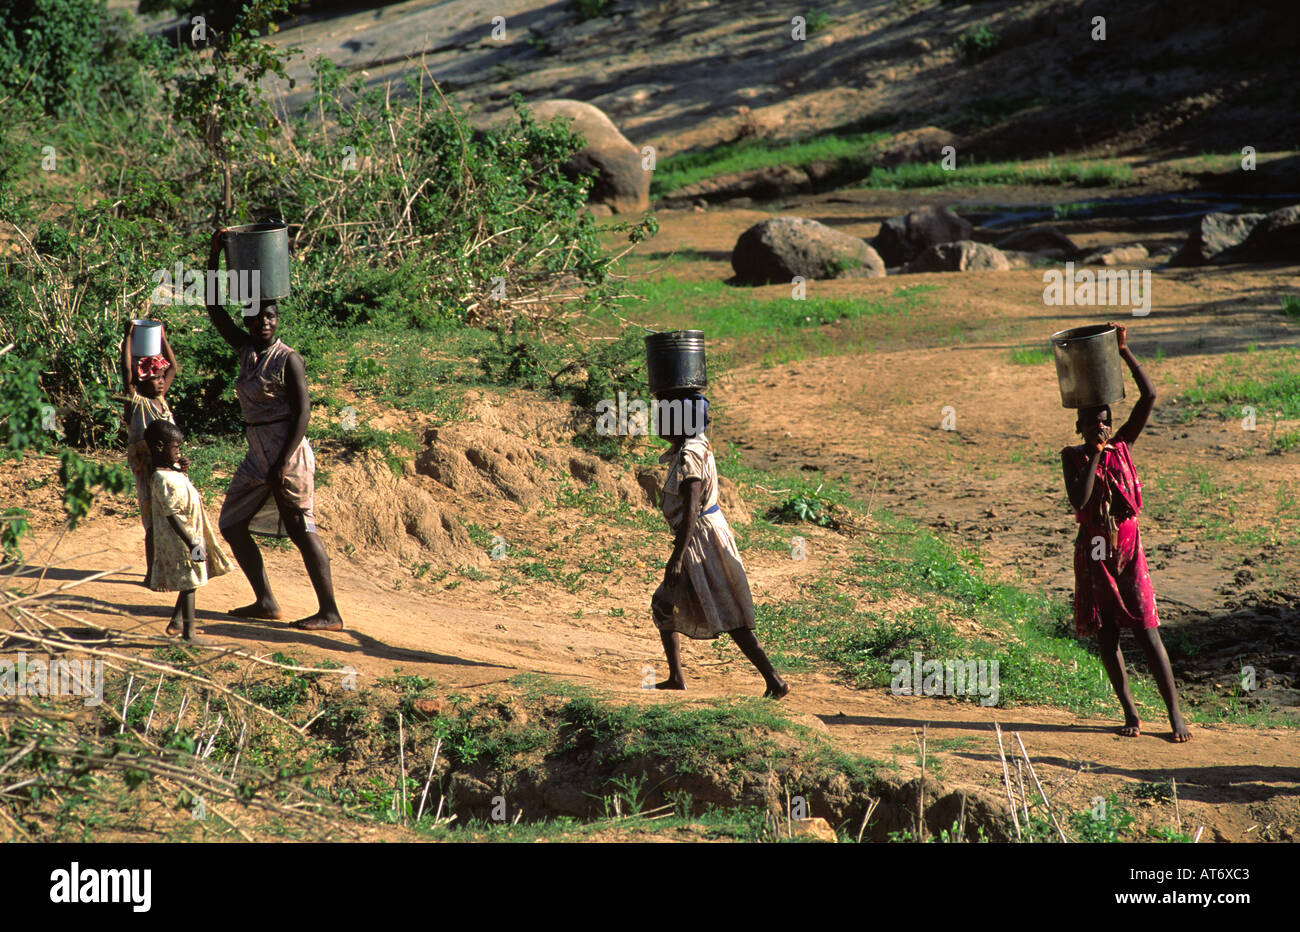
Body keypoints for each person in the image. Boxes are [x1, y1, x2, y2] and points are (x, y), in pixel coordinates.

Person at [205, 230, 344, 631]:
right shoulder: (246, 350)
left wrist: (282, 461)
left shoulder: (289, 359)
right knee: (231, 524)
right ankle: (265, 600)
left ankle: (330, 612)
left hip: (288, 452)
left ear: (277, 320)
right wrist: (213, 255)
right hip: (258, 454)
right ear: (247, 320)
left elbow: (304, 413)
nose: (264, 322)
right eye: (257, 316)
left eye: (270, 316)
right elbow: (214, 306)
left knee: (302, 528)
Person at [1061, 323, 1190, 742]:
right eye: (1093, 424)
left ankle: (1175, 716)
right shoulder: (1074, 457)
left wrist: (1124, 351)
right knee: (1108, 633)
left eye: (1105, 422)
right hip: (1096, 546)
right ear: (1079, 427)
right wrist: (1095, 457)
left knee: (1147, 628)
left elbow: (1149, 396)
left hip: (1129, 546)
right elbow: (1079, 502)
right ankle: (1131, 713)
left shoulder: (1123, 445)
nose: (1101, 428)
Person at [651, 391, 789, 699]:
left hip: (700, 539)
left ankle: (774, 680)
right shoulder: (697, 444)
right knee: (664, 602)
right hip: (703, 534)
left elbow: (691, 510)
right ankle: (675, 676)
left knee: (728, 613)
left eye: (663, 417)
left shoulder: (689, 455)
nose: (657, 423)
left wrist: (677, 557)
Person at [144, 420, 233, 642]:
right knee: (191, 579)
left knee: (192, 576)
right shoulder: (159, 477)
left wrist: (182, 469)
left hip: (193, 533)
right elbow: (171, 514)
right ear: (159, 447)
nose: (179, 452)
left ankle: (176, 623)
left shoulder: (170, 471)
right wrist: (190, 542)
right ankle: (189, 633)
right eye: (175, 448)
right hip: (182, 538)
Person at [121, 319, 178, 584]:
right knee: (152, 525)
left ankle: (165, 569)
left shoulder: (161, 400)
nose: (159, 382)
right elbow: (127, 374)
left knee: (171, 519)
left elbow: (173, 367)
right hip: (147, 470)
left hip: (169, 470)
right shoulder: (138, 402)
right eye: (153, 378)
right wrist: (129, 337)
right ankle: (150, 571)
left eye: (160, 377)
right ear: (142, 383)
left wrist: (162, 336)